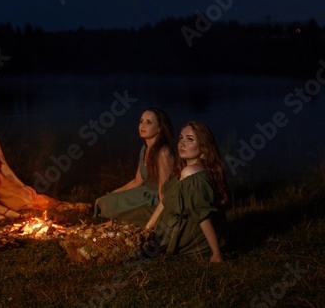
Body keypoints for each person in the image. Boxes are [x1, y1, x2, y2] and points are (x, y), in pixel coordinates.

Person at [141, 121, 229, 262]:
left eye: (190, 139)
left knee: (137, 252)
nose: (182, 144)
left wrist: (216, 252)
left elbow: (202, 214)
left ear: (204, 149)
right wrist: (148, 228)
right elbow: (165, 201)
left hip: (190, 234)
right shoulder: (182, 169)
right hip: (174, 226)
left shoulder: (191, 173)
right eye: (181, 138)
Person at [94, 108, 176, 220]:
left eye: (148, 122)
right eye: (141, 121)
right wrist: (113, 193)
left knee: (126, 215)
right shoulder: (145, 148)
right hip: (142, 193)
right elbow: (137, 181)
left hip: (154, 200)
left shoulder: (163, 152)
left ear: (159, 128)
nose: (143, 126)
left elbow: (164, 192)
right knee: (105, 201)